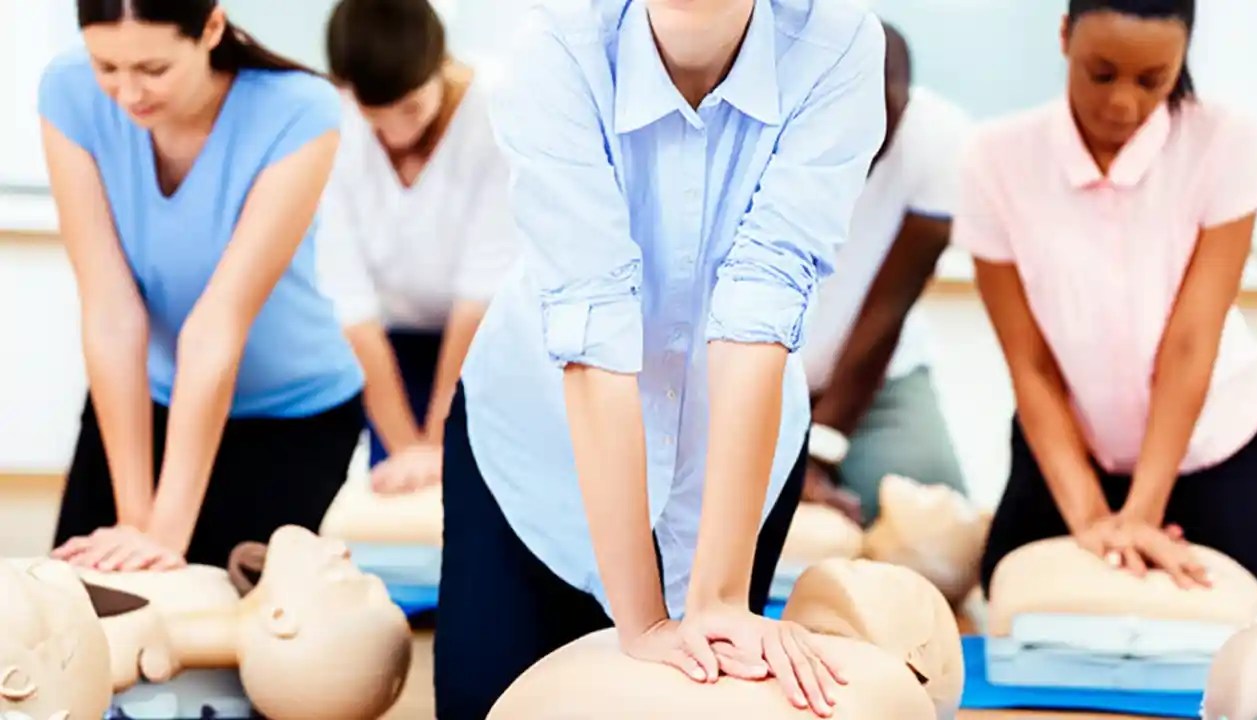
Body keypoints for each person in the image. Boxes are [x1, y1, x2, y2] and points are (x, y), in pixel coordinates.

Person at [433, 0, 887, 718]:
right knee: (487, 701)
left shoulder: (837, 44)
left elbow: (761, 308)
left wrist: (719, 598)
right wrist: (642, 620)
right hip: (543, 445)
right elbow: (594, 328)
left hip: (734, 449)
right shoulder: (557, 41)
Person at [953, 0, 1257, 594]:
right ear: (1063, 38)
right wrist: (1091, 517)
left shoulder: (1227, 141)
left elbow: (1190, 341)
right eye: (1101, 74)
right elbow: (1029, 359)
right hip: (1067, 435)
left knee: (1227, 603)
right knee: (1008, 584)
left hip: (1210, 439)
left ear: (1182, 60)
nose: (1123, 103)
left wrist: (1140, 515)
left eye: (1154, 80)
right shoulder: (994, 158)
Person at [40, 1, 365, 573]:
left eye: (153, 70)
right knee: (83, 606)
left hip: (289, 419)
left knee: (215, 638)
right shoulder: (68, 92)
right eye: (106, 67)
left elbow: (218, 323)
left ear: (211, 28)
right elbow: (112, 311)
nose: (128, 93)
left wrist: (163, 537)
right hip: (149, 397)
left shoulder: (299, 110)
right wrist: (134, 521)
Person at [320, 0, 518, 495]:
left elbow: (480, 295)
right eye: (375, 117)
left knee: (475, 485)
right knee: (396, 483)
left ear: (442, 68)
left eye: (410, 108)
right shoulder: (330, 124)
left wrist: (438, 446)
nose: (397, 133)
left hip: (484, 337)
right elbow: (352, 310)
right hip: (389, 343)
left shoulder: (495, 114)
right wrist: (411, 449)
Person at [800, 23, 972, 525]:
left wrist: (818, 452)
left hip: (880, 381)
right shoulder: (759, 127)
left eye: (885, 115)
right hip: (741, 375)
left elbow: (886, 313)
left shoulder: (939, 140)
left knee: (937, 535)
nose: (868, 134)